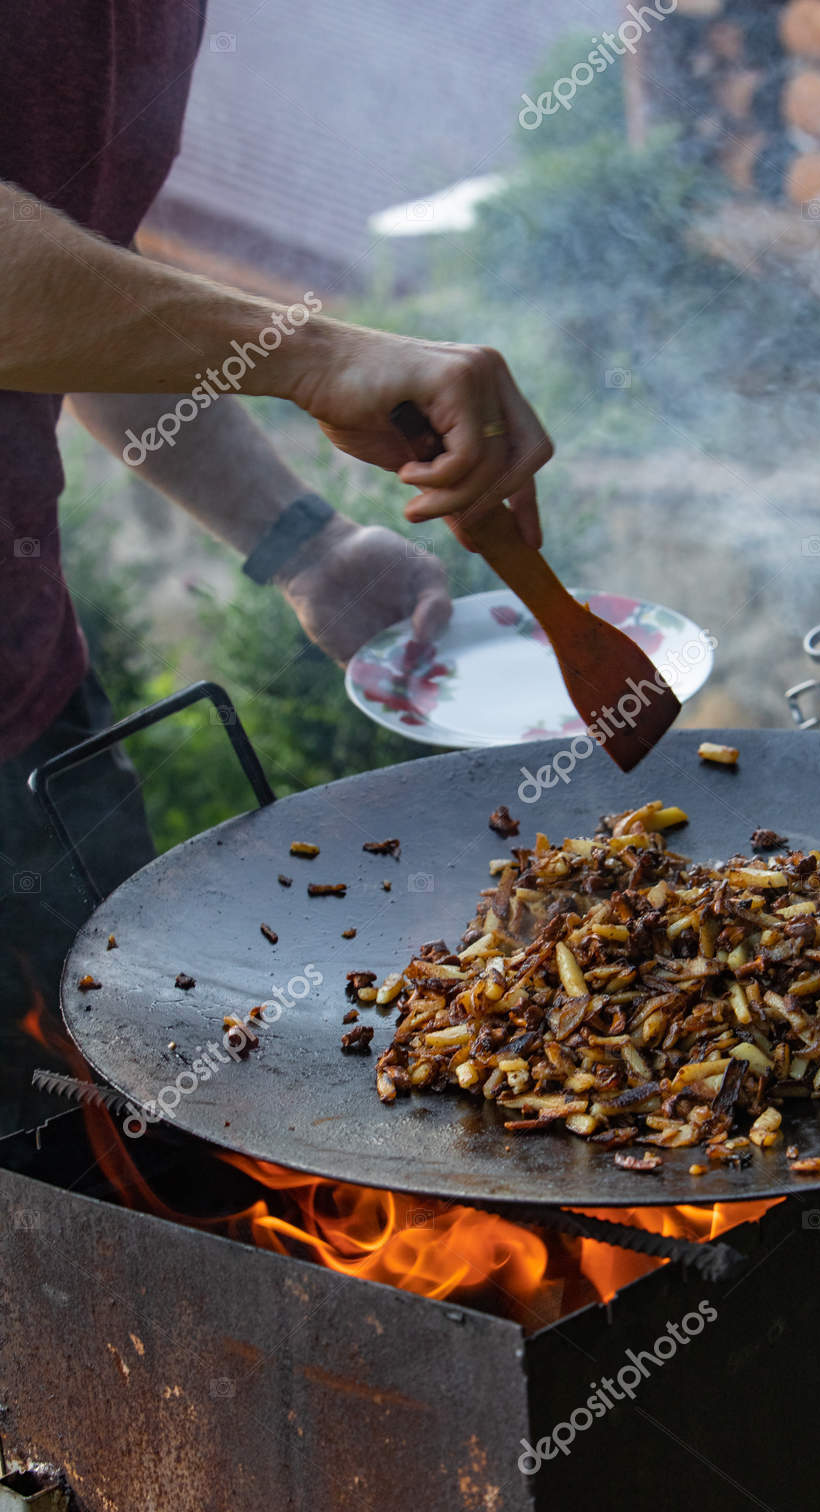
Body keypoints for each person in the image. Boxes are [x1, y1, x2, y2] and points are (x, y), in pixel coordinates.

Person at [0, 4, 551, 1134]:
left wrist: (302, 540)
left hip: (32, 697)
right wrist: (316, 355)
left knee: (148, 1165)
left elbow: (76, 289)